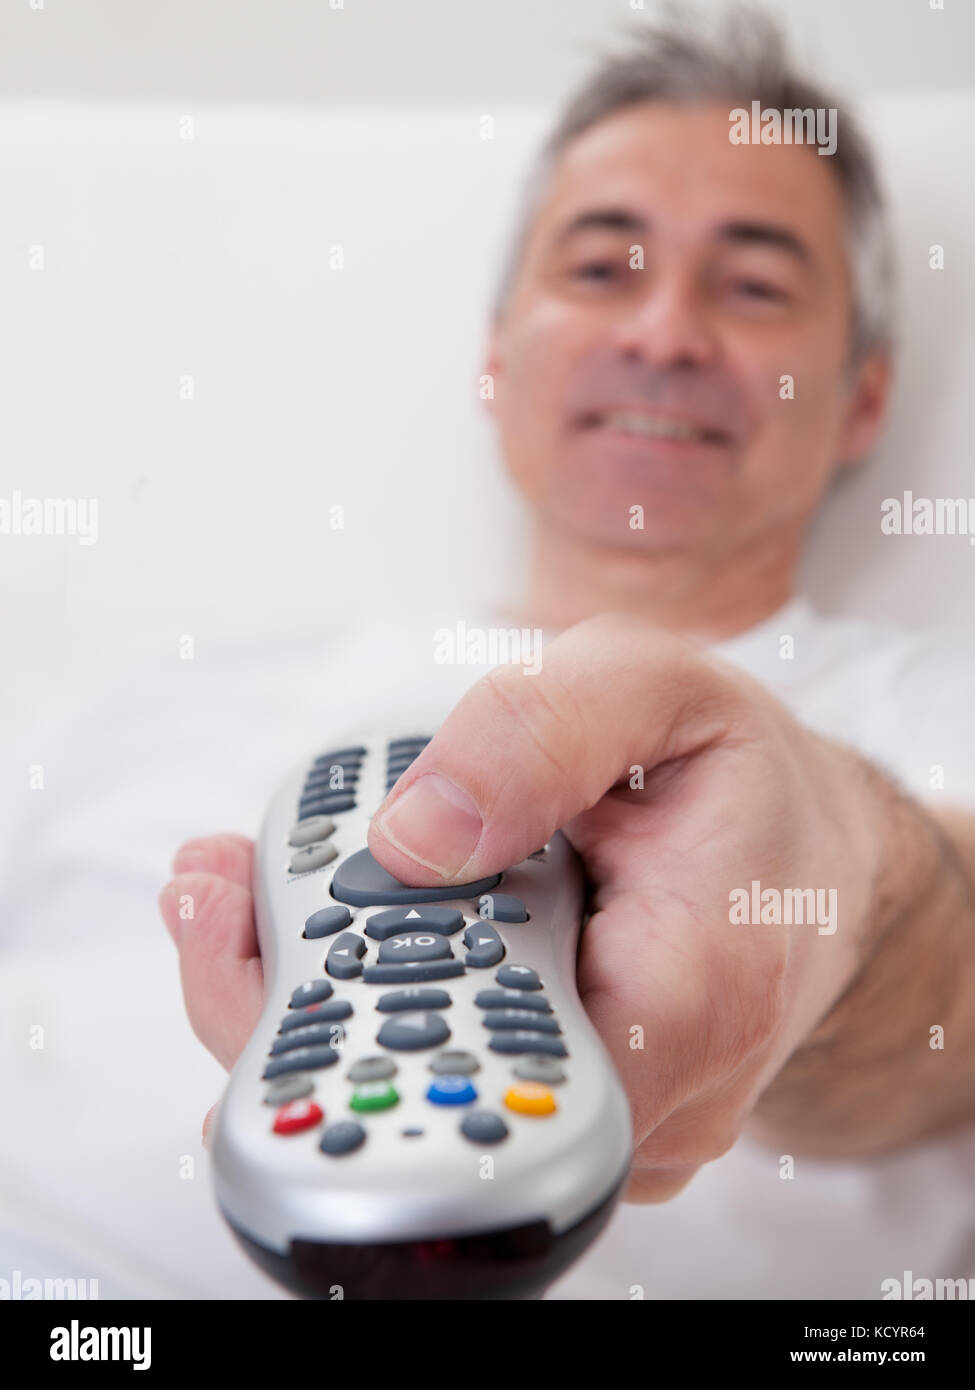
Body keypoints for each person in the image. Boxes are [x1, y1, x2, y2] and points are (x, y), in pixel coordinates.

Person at [5, 8, 974, 1300]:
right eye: (599, 270)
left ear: (860, 397)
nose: (665, 335)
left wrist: (842, 886)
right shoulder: (158, 688)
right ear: (493, 359)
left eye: (752, 286)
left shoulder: (936, 711)